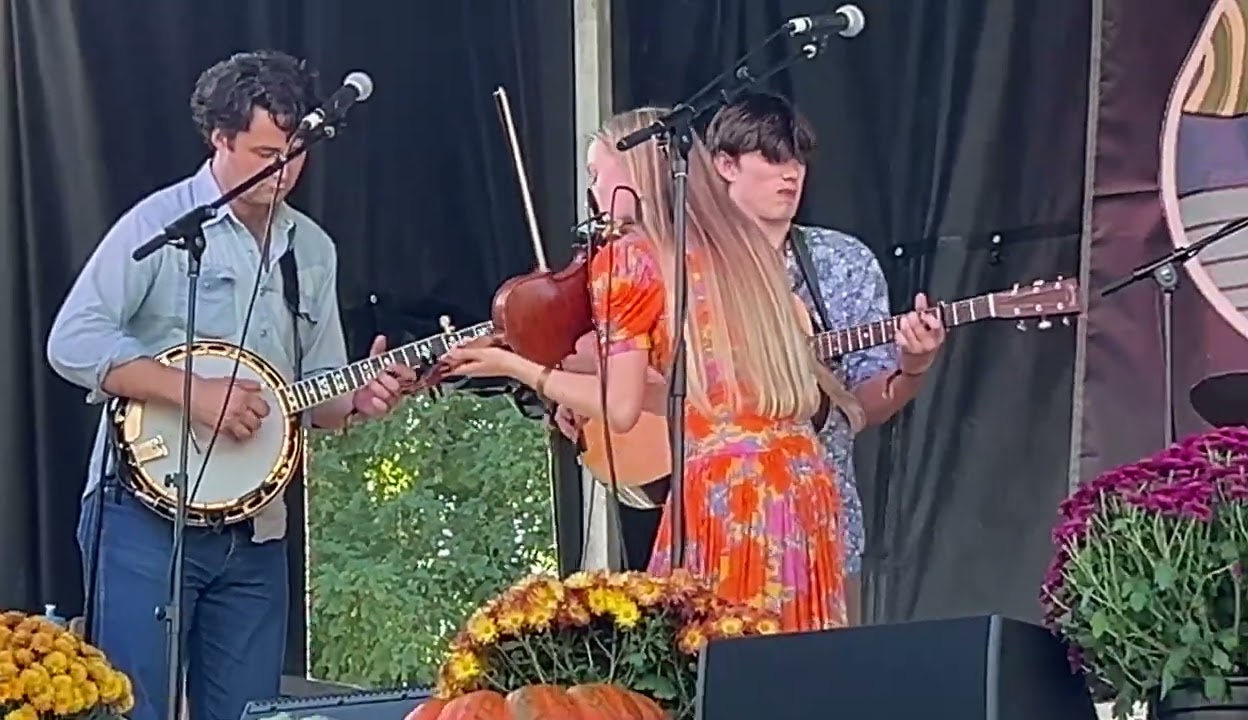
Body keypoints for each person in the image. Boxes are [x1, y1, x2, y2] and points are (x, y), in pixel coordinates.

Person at [46, 50, 414, 720]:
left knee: (250, 713)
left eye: (297, 152)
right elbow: (71, 341)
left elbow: (323, 398)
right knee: (132, 708)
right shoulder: (160, 225)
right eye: (266, 151)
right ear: (220, 139)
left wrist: (362, 397)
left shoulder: (314, 250)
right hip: (141, 518)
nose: (285, 170)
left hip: (256, 533)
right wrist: (191, 391)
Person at [443, 107, 862, 632]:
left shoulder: (631, 260)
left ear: (632, 173)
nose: (592, 191)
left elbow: (618, 409)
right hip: (801, 483)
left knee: (705, 672)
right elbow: (697, 395)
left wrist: (517, 365)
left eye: (597, 174)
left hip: (725, 493)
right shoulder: (747, 251)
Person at [704, 92, 945, 623]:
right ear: (725, 164)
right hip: (715, 522)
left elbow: (865, 404)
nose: (790, 174)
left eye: (796, 160)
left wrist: (913, 368)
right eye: (770, 158)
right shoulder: (689, 268)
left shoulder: (842, 262)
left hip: (823, 518)